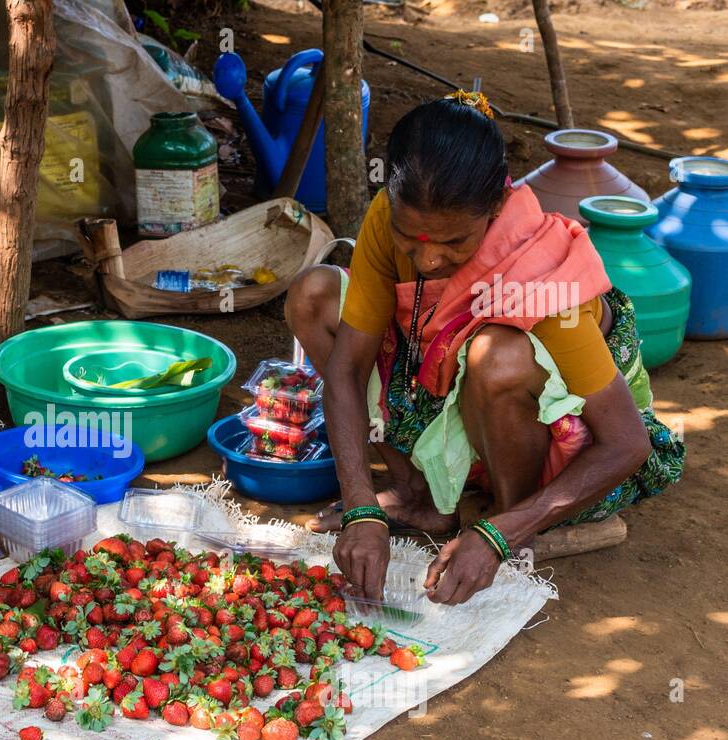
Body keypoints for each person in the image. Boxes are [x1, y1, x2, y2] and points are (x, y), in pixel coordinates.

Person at [284, 92, 684, 606]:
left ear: (496, 207)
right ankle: (417, 495)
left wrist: (501, 533)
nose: (428, 260)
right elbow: (346, 371)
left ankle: (508, 523)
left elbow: (627, 444)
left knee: (497, 355)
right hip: (447, 392)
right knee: (314, 296)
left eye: (454, 244)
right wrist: (362, 505)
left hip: (556, 440)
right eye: (412, 240)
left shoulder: (542, 273)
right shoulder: (389, 219)